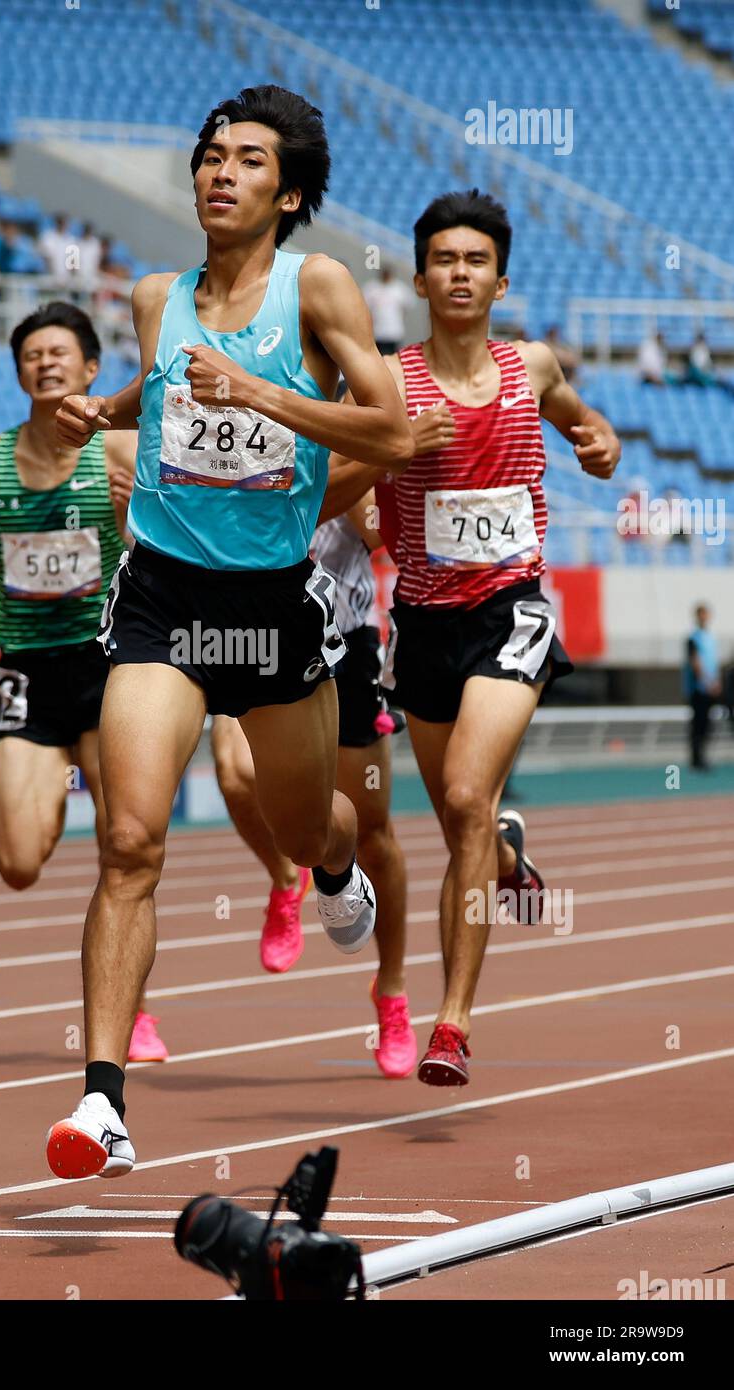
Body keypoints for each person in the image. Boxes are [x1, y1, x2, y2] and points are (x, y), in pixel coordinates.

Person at [44, 84, 414, 1180]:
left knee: (309, 831)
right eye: (210, 154)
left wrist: (260, 389)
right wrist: (100, 413)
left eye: (248, 160)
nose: (220, 172)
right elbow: (163, 396)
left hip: (271, 609)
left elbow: (389, 427)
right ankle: (102, 1102)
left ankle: (338, 875)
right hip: (162, 596)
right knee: (128, 843)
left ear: (287, 190)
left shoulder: (319, 286)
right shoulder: (159, 295)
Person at [323, 188, 621, 1087]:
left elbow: (581, 421)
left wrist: (596, 442)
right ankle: (501, 852)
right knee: (465, 817)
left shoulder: (529, 364)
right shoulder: (383, 378)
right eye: (443, 260)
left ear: (498, 279)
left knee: (459, 798)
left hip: (511, 610)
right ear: (418, 277)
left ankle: (450, 1024)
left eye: (474, 261)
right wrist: (389, 454)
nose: (458, 274)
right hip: (421, 623)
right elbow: (327, 499)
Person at [0, 300, 167, 1064]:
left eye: (59, 352)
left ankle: (131, 1011)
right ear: (18, 373)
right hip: (27, 675)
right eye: (31, 355)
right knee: (18, 864)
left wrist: (138, 521)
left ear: (91, 369)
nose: (45, 363)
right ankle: (60, 776)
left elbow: (183, 524)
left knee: (125, 849)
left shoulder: (121, 451)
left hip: (111, 668)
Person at [212, 490, 415, 1077]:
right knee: (235, 771)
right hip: (249, 633)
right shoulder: (237, 403)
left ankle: (393, 994)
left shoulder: (354, 414)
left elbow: (379, 535)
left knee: (372, 833)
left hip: (344, 639)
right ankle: (286, 876)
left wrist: (323, 478)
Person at [685, 603, 721, 771]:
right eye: (702, 614)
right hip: (698, 689)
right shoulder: (693, 638)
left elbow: (712, 663)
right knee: (698, 724)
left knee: (707, 724)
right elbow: (696, 663)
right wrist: (708, 682)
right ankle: (696, 759)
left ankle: (702, 757)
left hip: (710, 687)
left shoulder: (710, 638)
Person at [363, 265, 412, 356]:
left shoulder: (399, 288)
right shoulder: (372, 288)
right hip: (377, 332)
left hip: (394, 332)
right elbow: (365, 307)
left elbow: (406, 306)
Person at [38, 214, 72, 290]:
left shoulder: (71, 240)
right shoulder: (48, 237)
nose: (63, 225)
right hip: (50, 280)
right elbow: (46, 259)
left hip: (65, 282)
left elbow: (72, 264)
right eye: (61, 222)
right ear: (56, 223)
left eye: (65, 223)